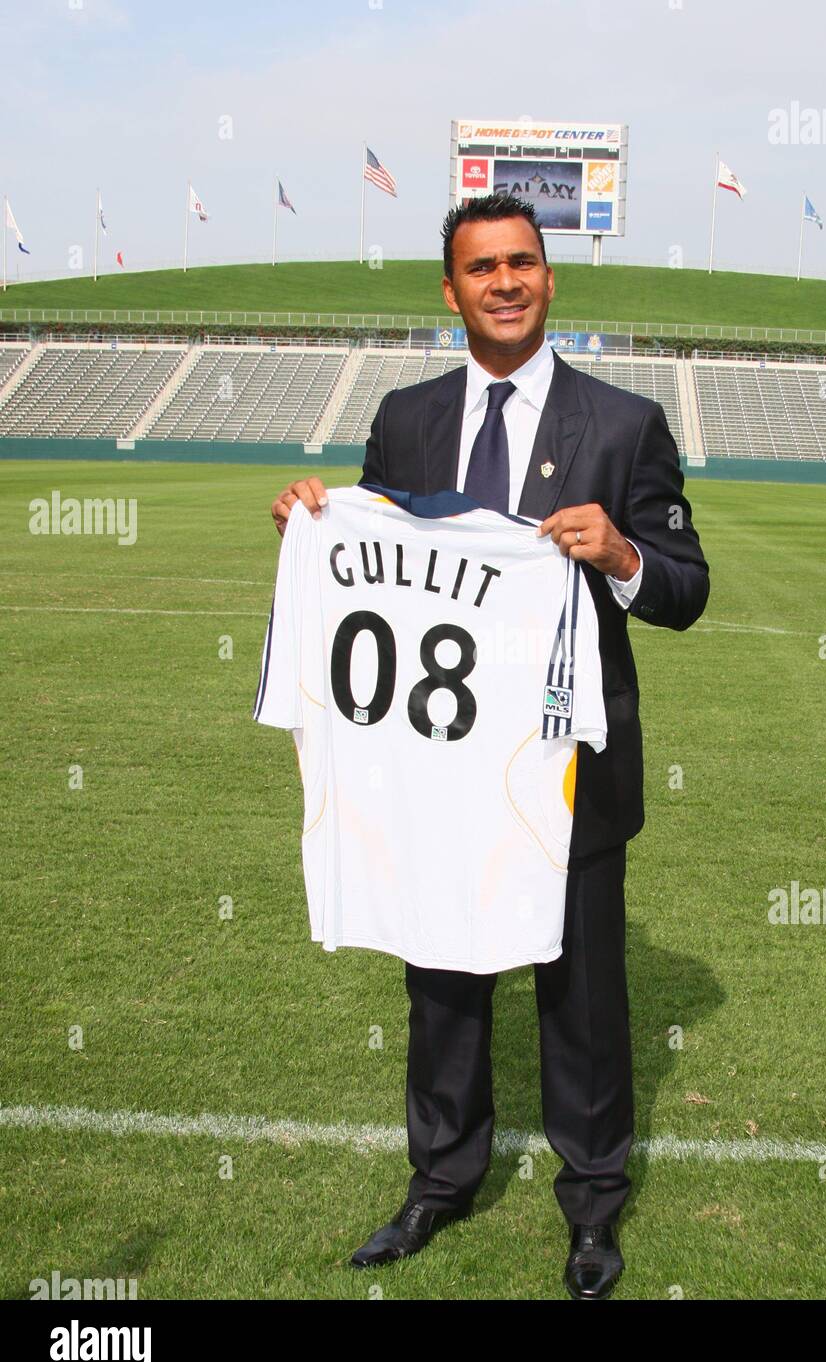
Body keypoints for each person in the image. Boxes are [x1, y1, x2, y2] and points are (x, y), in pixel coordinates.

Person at [269, 192, 710, 1299]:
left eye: (522, 262)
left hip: (569, 771)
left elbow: (685, 587)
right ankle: (440, 1179)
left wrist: (618, 554)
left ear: (549, 279)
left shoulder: (621, 424)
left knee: (582, 1003)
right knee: (443, 989)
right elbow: (376, 561)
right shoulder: (406, 416)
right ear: (450, 288)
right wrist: (315, 525)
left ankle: (592, 1206)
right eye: (480, 267)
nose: (503, 282)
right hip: (436, 768)